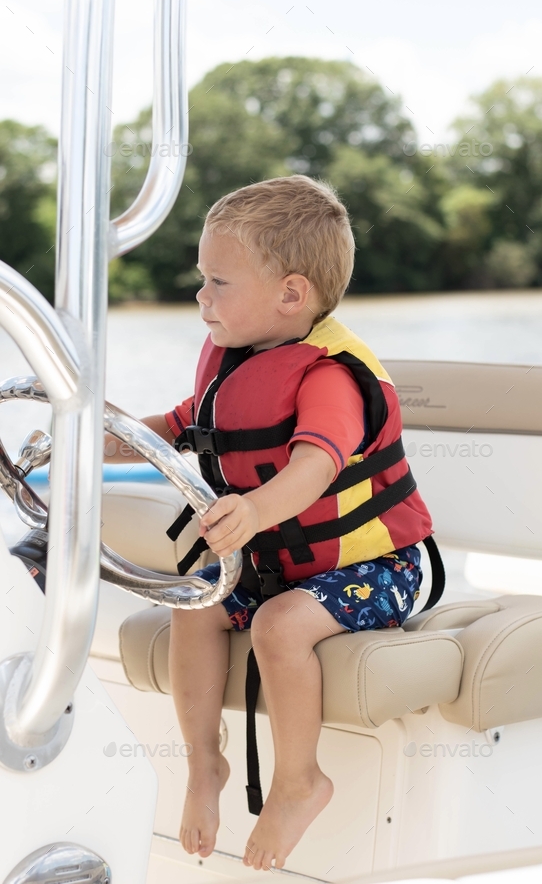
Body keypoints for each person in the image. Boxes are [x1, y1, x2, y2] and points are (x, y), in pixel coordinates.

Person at [105, 175, 434, 871]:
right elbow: (185, 423)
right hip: (286, 568)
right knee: (196, 598)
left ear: (290, 294)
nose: (201, 298)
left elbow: (314, 469)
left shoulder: (331, 378)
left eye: (218, 282)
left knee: (280, 624)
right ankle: (205, 763)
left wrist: (252, 509)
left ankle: (299, 781)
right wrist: (121, 435)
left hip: (378, 571)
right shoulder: (245, 360)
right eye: (203, 279)